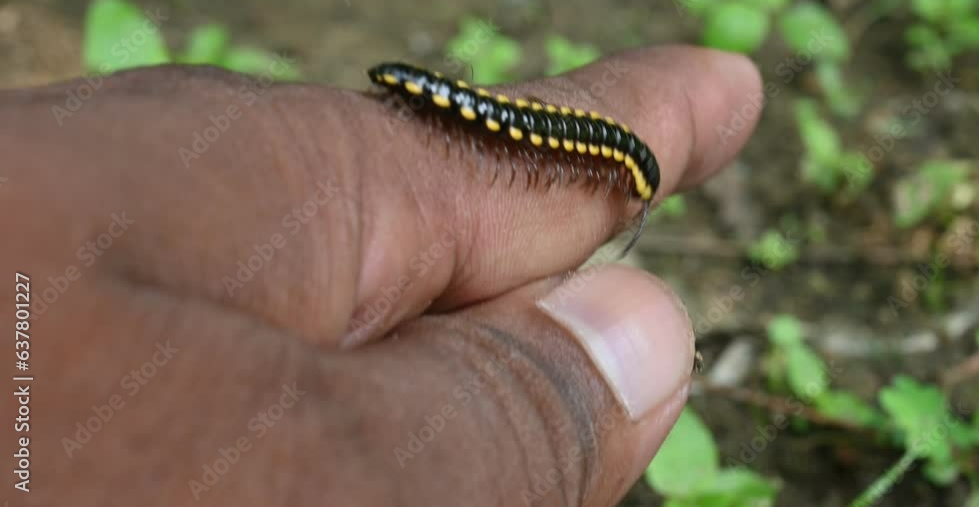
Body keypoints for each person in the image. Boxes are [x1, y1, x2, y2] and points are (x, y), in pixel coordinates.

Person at [0, 45, 761, 506]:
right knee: (509, 140)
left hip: (474, 109)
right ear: (625, 168)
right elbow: (518, 136)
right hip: (452, 101)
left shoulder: (603, 157)